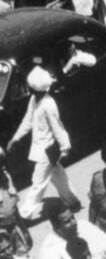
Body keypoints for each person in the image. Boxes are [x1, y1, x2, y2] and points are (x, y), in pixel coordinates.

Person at [9, 66, 76, 222]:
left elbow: (57, 127)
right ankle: (72, 201)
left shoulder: (48, 104)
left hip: (48, 149)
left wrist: (65, 147)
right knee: (58, 175)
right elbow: (28, 120)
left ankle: (24, 214)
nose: (30, 90)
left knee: (38, 182)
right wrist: (16, 137)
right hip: (41, 148)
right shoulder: (34, 100)